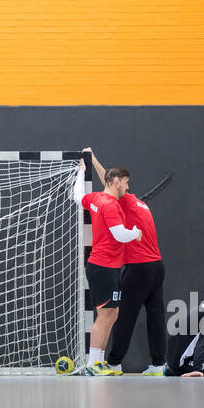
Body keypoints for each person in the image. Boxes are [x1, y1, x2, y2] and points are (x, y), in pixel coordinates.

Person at [84, 148, 166, 376]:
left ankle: (113, 362)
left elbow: (107, 182)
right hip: (157, 267)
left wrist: (92, 159)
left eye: (126, 184)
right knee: (156, 316)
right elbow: (110, 182)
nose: (127, 186)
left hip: (139, 268)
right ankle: (159, 365)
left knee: (121, 316)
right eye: (126, 182)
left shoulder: (124, 201)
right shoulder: (140, 205)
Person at [74, 154, 143, 375]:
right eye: (126, 183)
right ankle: (93, 365)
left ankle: (100, 362)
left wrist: (81, 172)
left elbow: (77, 197)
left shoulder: (95, 198)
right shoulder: (109, 205)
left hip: (109, 267)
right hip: (102, 267)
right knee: (104, 316)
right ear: (116, 182)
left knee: (112, 315)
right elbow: (119, 234)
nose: (127, 187)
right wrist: (136, 232)